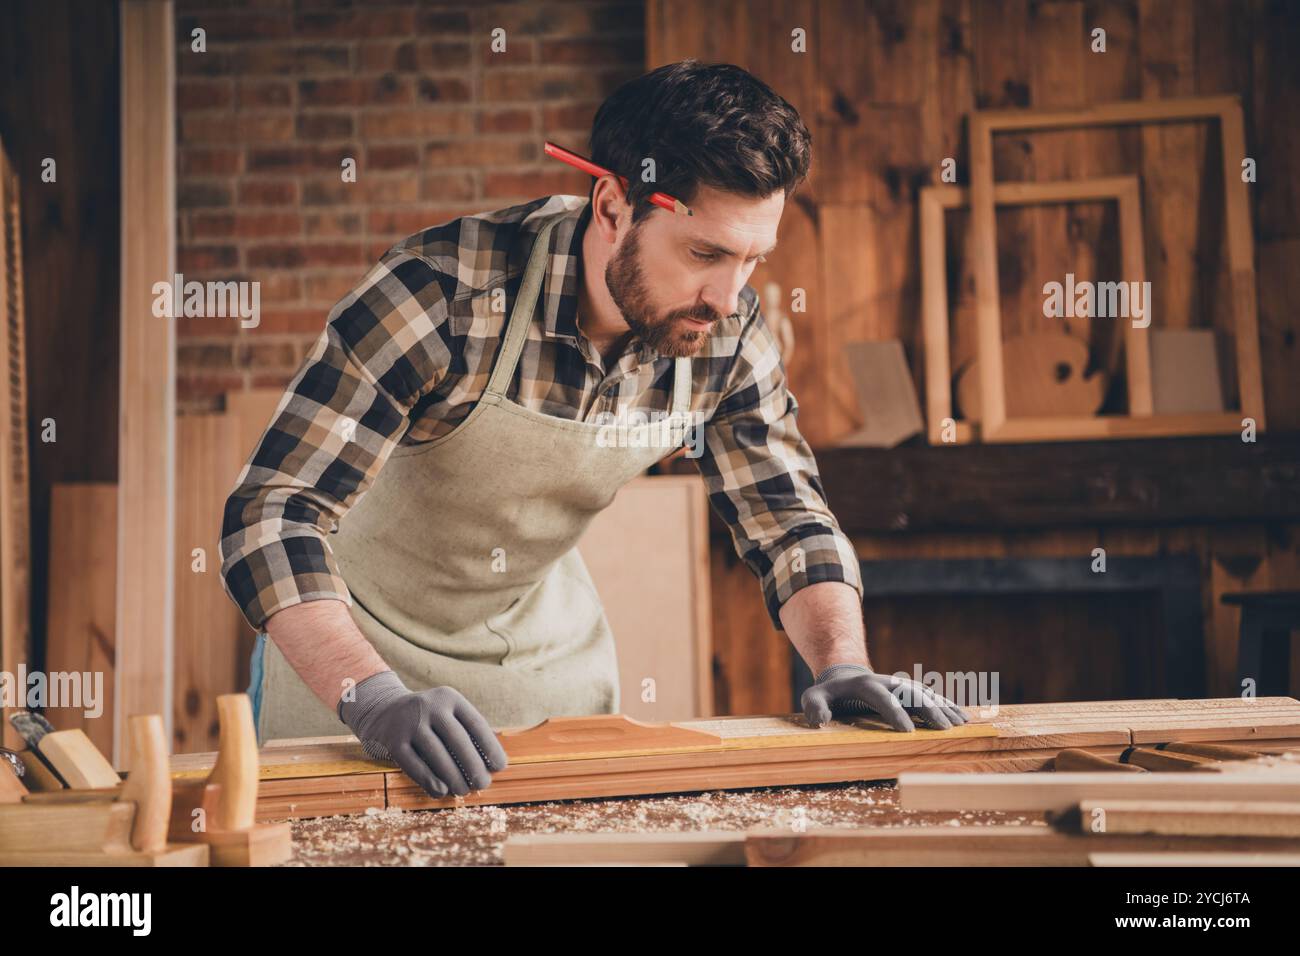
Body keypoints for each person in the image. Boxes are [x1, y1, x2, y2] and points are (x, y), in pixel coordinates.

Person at [219, 60, 966, 800]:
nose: (726, 297)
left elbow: (788, 520)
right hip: (354, 664)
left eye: (752, 260)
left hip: (546, 669)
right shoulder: (440, 298)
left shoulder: (726, 334)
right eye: (704, 253)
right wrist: (372, 699)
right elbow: (273, 515)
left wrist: (841, 663)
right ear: (611, 207)